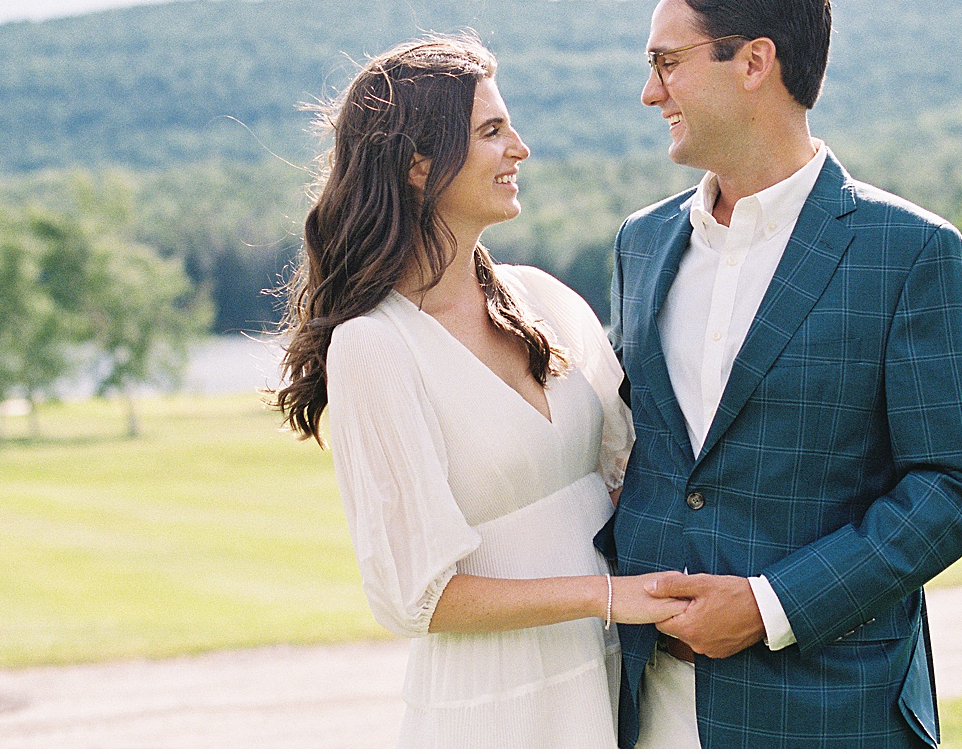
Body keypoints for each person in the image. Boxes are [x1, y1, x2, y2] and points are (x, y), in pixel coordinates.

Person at [599, 0, 962, 748]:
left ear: (755, 61)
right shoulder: (640, 243)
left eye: (668, 63)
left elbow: (957, 486)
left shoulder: (909, 251)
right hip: (644, 702)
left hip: (826, 707)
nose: (651, 92)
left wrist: (769, 605)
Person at [274, 37, 686, 748]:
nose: (519, 149)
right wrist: (609, 596)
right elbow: (419, 597)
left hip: (611, 676)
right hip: (495, 706)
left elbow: (634, 477)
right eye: (492, 131)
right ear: (417, 165)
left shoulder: (545, 299)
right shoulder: (376, 346)